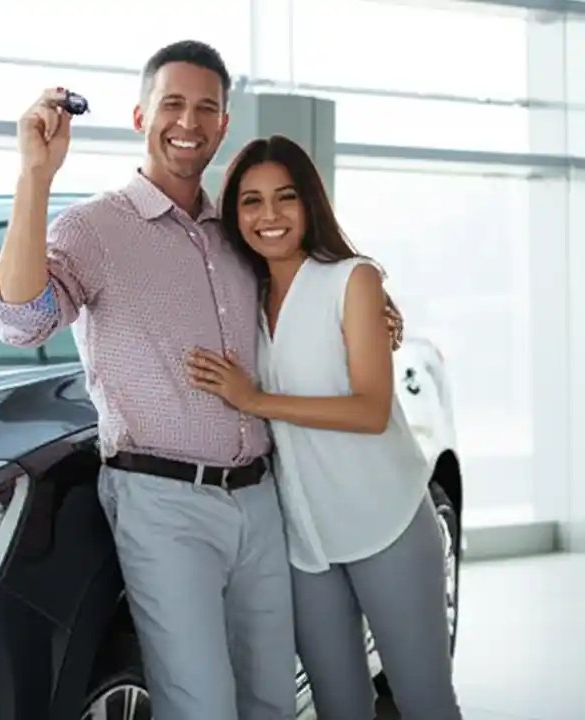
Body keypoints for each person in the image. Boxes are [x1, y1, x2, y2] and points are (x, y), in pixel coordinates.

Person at [0, 40, 296, 720]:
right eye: (173, 104)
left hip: (259, 497)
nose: (189, 122)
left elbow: (304, 294)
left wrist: (372, 306)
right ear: (141, 116)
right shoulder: (94, 229)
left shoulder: (237, 229)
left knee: (271, 700)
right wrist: (35, 175)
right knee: (202, 706)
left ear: (224, 125)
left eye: (206, 108)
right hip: (162, 502)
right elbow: (23, 319)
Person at [185, 134, 463, 719]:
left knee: (424, 703)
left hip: (386, 522)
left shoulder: (352, 280)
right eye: (252, 201)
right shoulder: (243, 297)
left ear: (310, 202)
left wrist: (257, 399)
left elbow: (369, 409)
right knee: (338, 708)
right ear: (234, 215)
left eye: (285, 197)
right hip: (306, 542)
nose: (270, 215)